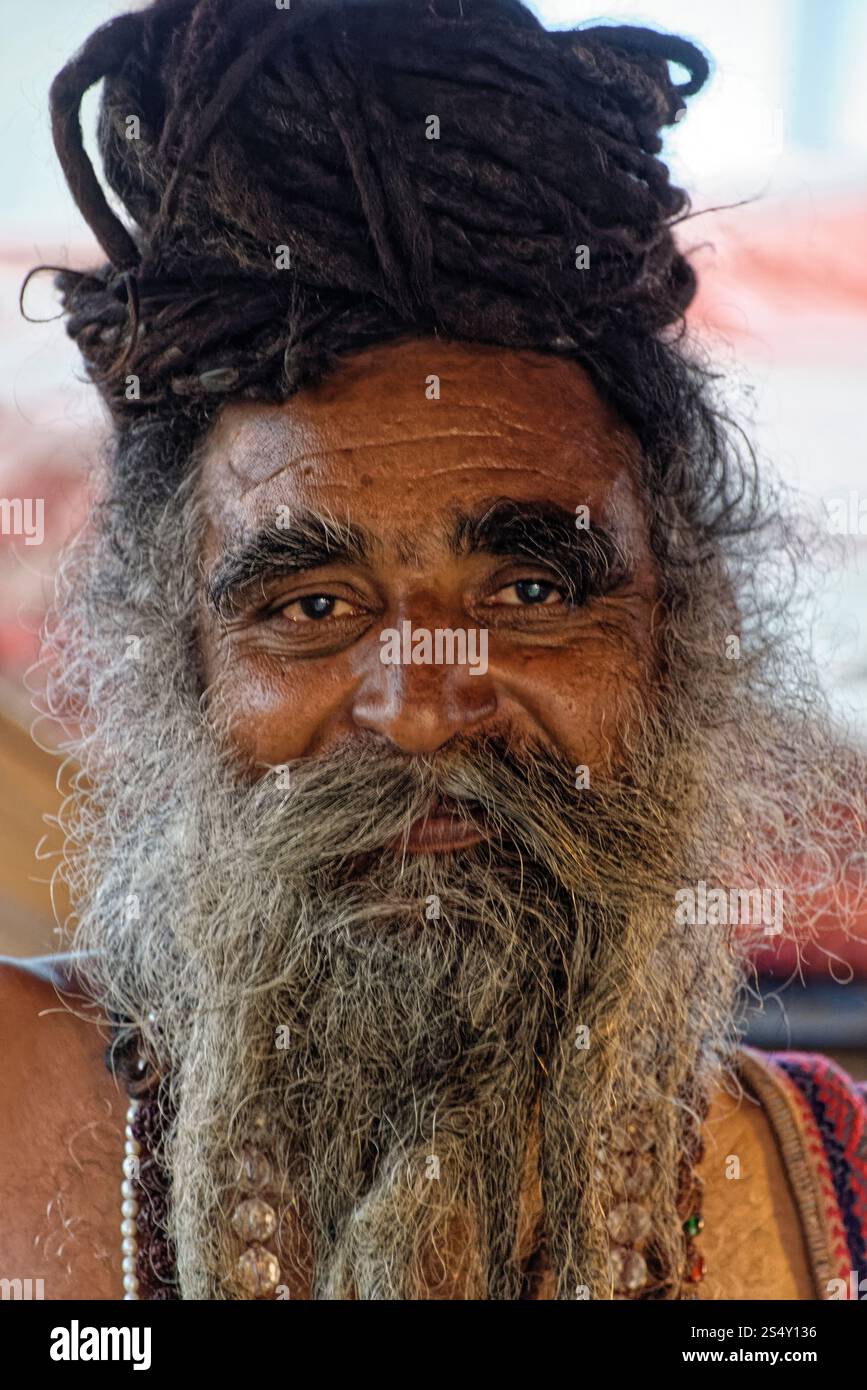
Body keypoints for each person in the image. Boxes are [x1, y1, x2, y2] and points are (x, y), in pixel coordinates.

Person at [1, 0, 865, 1301]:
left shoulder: (832, 1198)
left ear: (682, 639)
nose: (419, 712)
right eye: (312, 609)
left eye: (527, 587)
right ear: (177, 662)